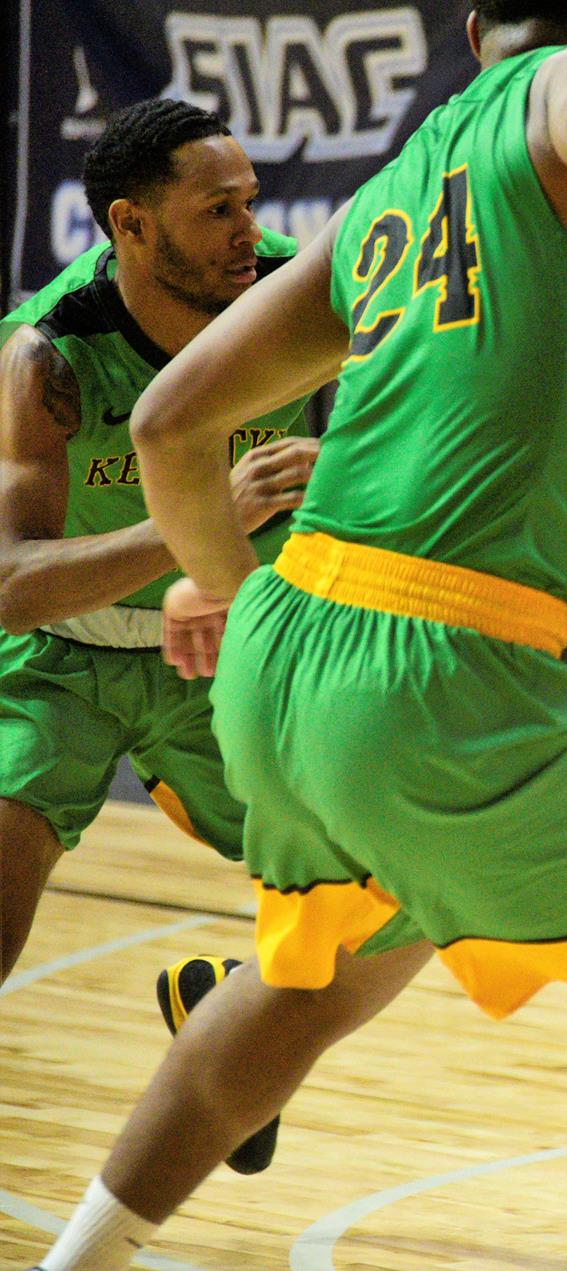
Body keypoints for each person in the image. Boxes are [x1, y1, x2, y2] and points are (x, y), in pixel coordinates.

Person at [25, 0, 567, 1268]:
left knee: (313, 983)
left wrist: (227, 593)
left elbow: (168, 425)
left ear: (470, 29)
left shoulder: (394, 184)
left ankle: (80, 1253)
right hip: (438, 662)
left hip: (284, 648)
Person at [0, 97, 316, 989]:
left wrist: (350, 456)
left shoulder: (293, 298)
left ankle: (220, 1035)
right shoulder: (50, 357)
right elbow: (11, 583)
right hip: (59, 657)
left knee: (358, 888)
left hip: (232, 645)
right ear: (130, 226)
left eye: (251, 201)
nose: (249, 230)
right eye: (219, 209)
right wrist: (200, 515)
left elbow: (433, 393)